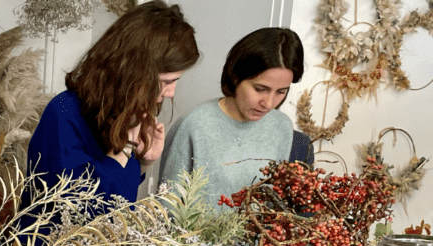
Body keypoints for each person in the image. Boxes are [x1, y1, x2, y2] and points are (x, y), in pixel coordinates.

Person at [23, 0, 199, 233]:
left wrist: (143, 163)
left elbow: (119, 203)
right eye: (166, 81)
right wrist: (125, 149)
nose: (171, 92)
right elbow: (81, 213)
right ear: (133, 71)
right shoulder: (63, 112)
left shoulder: (125, 111)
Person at [160, 27, 311, 209]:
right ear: (235, 77)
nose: (269, 103)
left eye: (281, 92)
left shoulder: (282, 126)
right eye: (260, 89)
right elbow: (167, 207)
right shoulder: (194, 125)